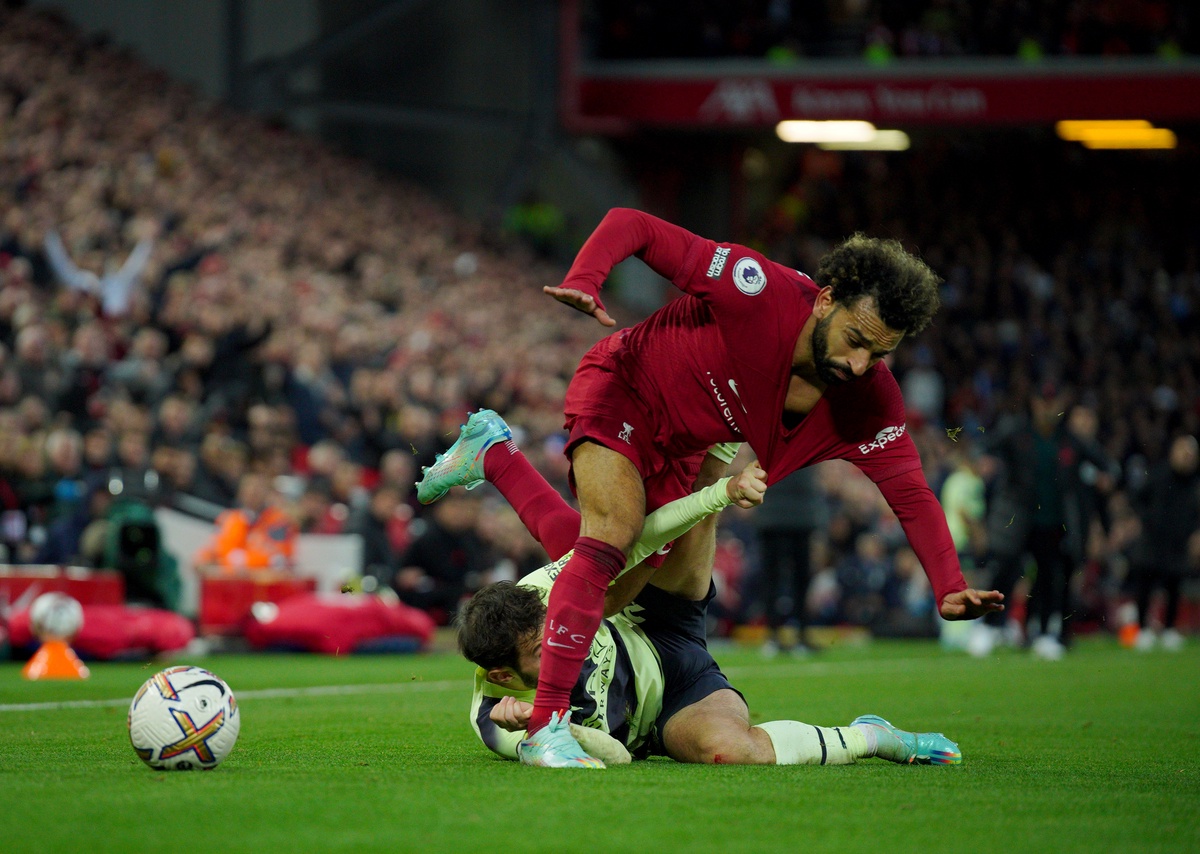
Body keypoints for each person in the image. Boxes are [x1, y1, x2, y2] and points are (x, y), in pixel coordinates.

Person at [457, 208, 1002, 766]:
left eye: (879, 353)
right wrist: (585, 278)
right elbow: (633, 225)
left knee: (728, 746)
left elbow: (909, 491)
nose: (860, 364)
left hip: (686, 463)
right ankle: (548, 726)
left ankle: (873, 737)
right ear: (825, 299)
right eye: (856, 339)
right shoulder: (756, 288)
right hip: (625, 391)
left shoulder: (868, 400)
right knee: (610, 537)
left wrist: (948, 584)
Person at [436, 414, 961, 768]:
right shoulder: (494, 717)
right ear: (504, 675)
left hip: (651, 619)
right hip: (669, 701)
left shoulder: (545, 594)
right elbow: (613, 759)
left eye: (551, 630)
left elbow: (643, 540)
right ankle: (875, 736)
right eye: (540, 649)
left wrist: (720, 495)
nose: (560, 644)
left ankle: (723, 435)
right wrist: (549, 730)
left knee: (609, 553)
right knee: (732, 751)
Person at [973, 383, 1116, 659]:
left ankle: (1047, 633)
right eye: (1042, 400)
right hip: (1019, 519)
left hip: (1054, 523)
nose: (1047, 407)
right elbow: (982, 448)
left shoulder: (1070, 439)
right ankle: (989, 628)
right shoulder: (1016, 430)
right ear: (1034, 402)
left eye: (1052, 401)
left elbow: (1108, 467)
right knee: (1006, 570)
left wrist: (1102, 479)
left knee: (1052, 578)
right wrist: (984, 463)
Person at [1129, 434, 1198, 651]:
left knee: (1174, 585)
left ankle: (1168, 628)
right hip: (1153, 540)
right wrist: (1146, 520)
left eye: (1190, 454)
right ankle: (1142, 628)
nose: (1186, 458)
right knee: (1145, 584)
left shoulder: (1194, 483)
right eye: (1183, 452)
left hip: (1178, 541)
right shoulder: (1158, 475)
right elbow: (1136, 498)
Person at [752, 466, 828, 656]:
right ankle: (785, 634)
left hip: (782, 513)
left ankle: (781, 635)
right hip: (790, 513)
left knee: (787, 579)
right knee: (788, 579)